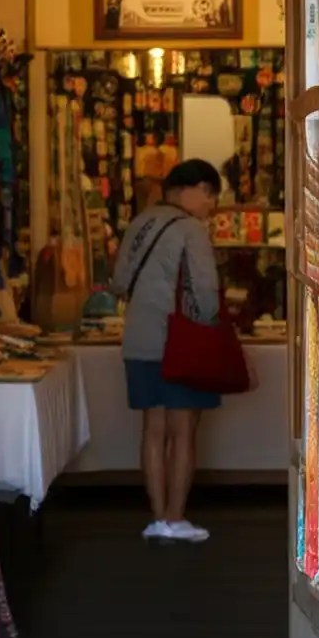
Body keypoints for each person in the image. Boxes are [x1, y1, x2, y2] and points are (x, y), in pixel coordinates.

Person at [110, 159, 223, 543]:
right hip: (178, 343)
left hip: (139, 341)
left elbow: (119, 281)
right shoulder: (192, 230)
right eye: (208, 194)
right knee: (183, 430)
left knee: (153, 429)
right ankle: (176, 517)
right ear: (189, 190)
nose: (210, 203)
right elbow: (206, 294)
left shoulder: (139, 223)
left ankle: (158, 516)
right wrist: (212, 325)